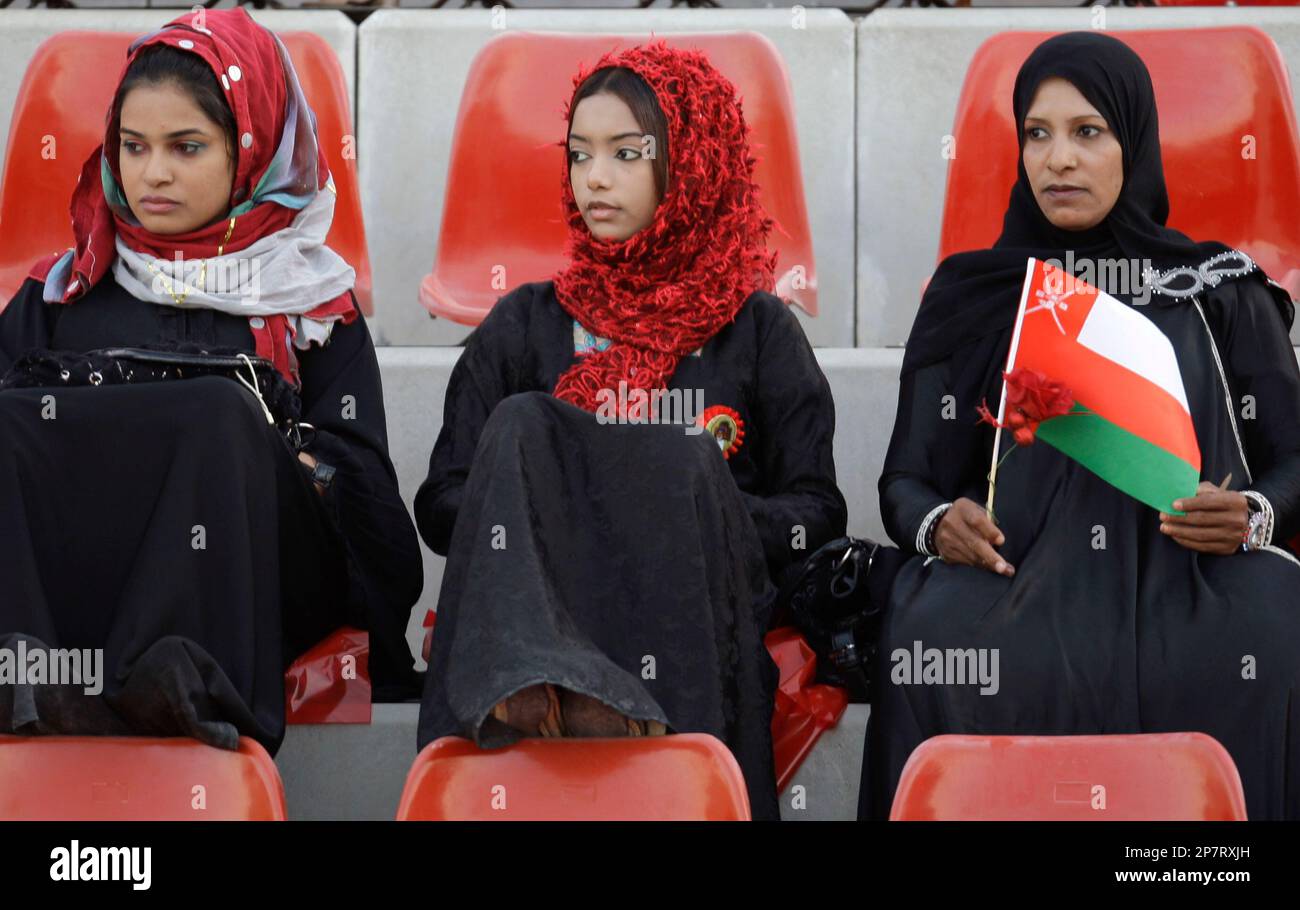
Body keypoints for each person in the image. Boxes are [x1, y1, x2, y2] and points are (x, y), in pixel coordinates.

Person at [861, 31, 1300, 821]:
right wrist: (938, 525)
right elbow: (904, 482)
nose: (1058, 158)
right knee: (926, 625)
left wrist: (1253, 514)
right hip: (1014, 581)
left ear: (1132, 143)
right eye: (1038, 133)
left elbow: (1295, 461)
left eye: (1087, 132)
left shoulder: (1217, 289)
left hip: (1191, 582)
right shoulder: (972, 294)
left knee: (1275, 620)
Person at [414, 42, 847, 820]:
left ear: (692, 162)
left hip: (689, 611)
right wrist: (565, 496)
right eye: (581, 155)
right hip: (541, 608)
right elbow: (442, 507)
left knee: (675, 460)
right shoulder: (525, 323)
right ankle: (551, 692)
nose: (596, 178)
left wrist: (672, 497)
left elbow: (817, 515)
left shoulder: (756, 330)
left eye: (626, 153)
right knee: (522, 424)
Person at [0, 8, 423, 754]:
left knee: (217, 415)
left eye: (186, 147)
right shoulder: (62, 292)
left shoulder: (313, 309)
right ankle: (32, 681)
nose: (152, 173)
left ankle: (177, 682)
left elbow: (385, 548)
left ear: (250, 150)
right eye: (132, 146)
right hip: (82, 577)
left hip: (254, 581)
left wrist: (292, 462)